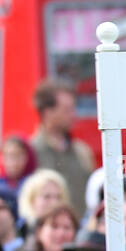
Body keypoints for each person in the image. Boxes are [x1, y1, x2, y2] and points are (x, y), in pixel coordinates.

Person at [29, 80, 96, 213]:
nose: (74, 115)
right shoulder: (30, 152)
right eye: (67, 110)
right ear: (47, 112)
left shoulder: (82, 152)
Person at [17, 168, 70, 235]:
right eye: (47, 196)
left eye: (59, 197)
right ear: (31, 200)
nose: (54, 203)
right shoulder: (20, 233)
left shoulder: (72, 233)